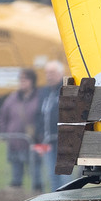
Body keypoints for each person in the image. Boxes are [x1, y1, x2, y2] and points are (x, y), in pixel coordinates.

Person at [0, 68, 42, 189]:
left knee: (36, 176)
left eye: (25, 79)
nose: (22, 82)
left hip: (33, 143)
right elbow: (2, 116)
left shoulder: (39, 98)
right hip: (15, 143)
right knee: (16, 178)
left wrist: (39, 135)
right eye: (20, 79)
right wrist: (5, 134)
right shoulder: (12, 98)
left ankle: (37, 196)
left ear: (32, 81)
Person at [34, 60, 68, 191]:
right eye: (47, 73)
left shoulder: (66, 90)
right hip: (48, 141)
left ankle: (67, 200)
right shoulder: (44, 92)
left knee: (65, 175)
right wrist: (39, 134)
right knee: (52, 175)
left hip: (64, 142)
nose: (49, 76)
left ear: (60, 73)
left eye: (52, 73)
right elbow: (39, 114)